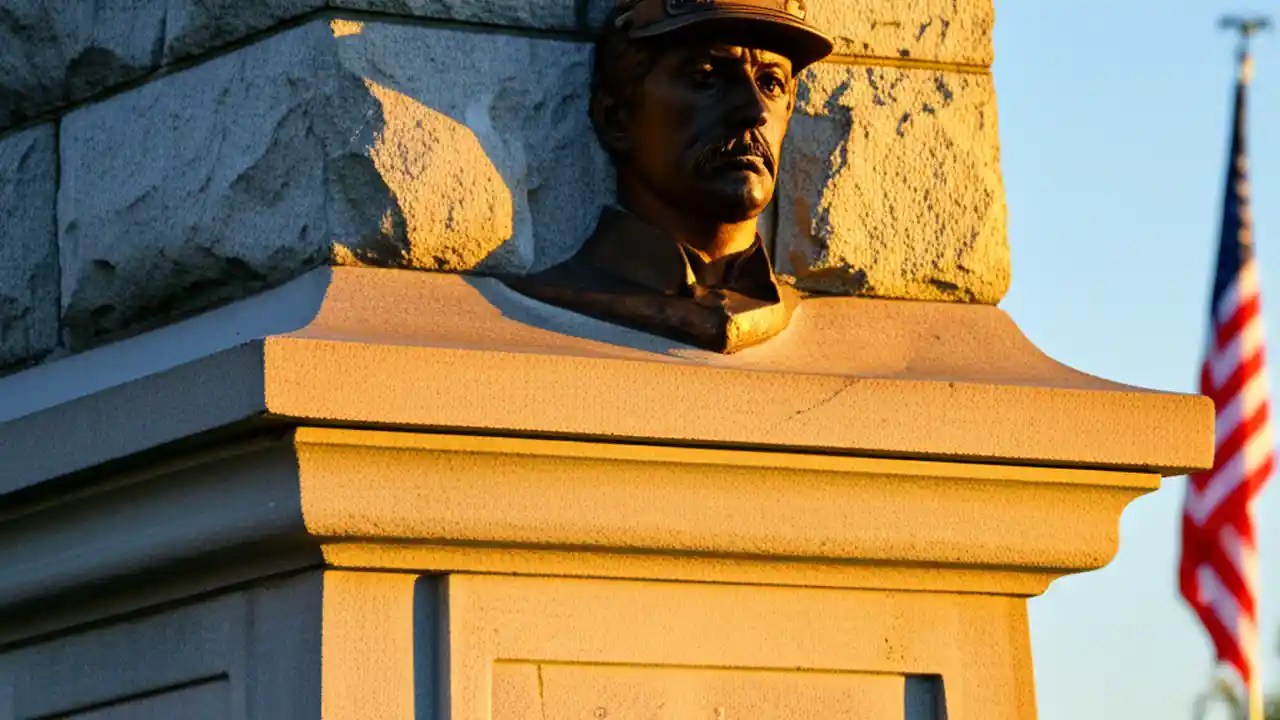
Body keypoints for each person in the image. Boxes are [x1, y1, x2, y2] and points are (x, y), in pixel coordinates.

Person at [508, 0, 833, 353]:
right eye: (705, 78)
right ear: (615, 116)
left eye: (770, 83)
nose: (754, 111)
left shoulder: (824, 332)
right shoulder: (545, 304)